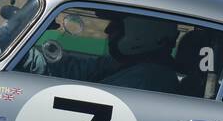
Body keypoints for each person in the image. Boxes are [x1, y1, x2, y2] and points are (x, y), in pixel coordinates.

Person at [20, 13, 181, 93]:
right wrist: (24, 49)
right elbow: (77, 70)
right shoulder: (130, 64)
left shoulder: (145, 79)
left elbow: (88, 100)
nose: (107, 29)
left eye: (117, 24)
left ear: (142, 33)